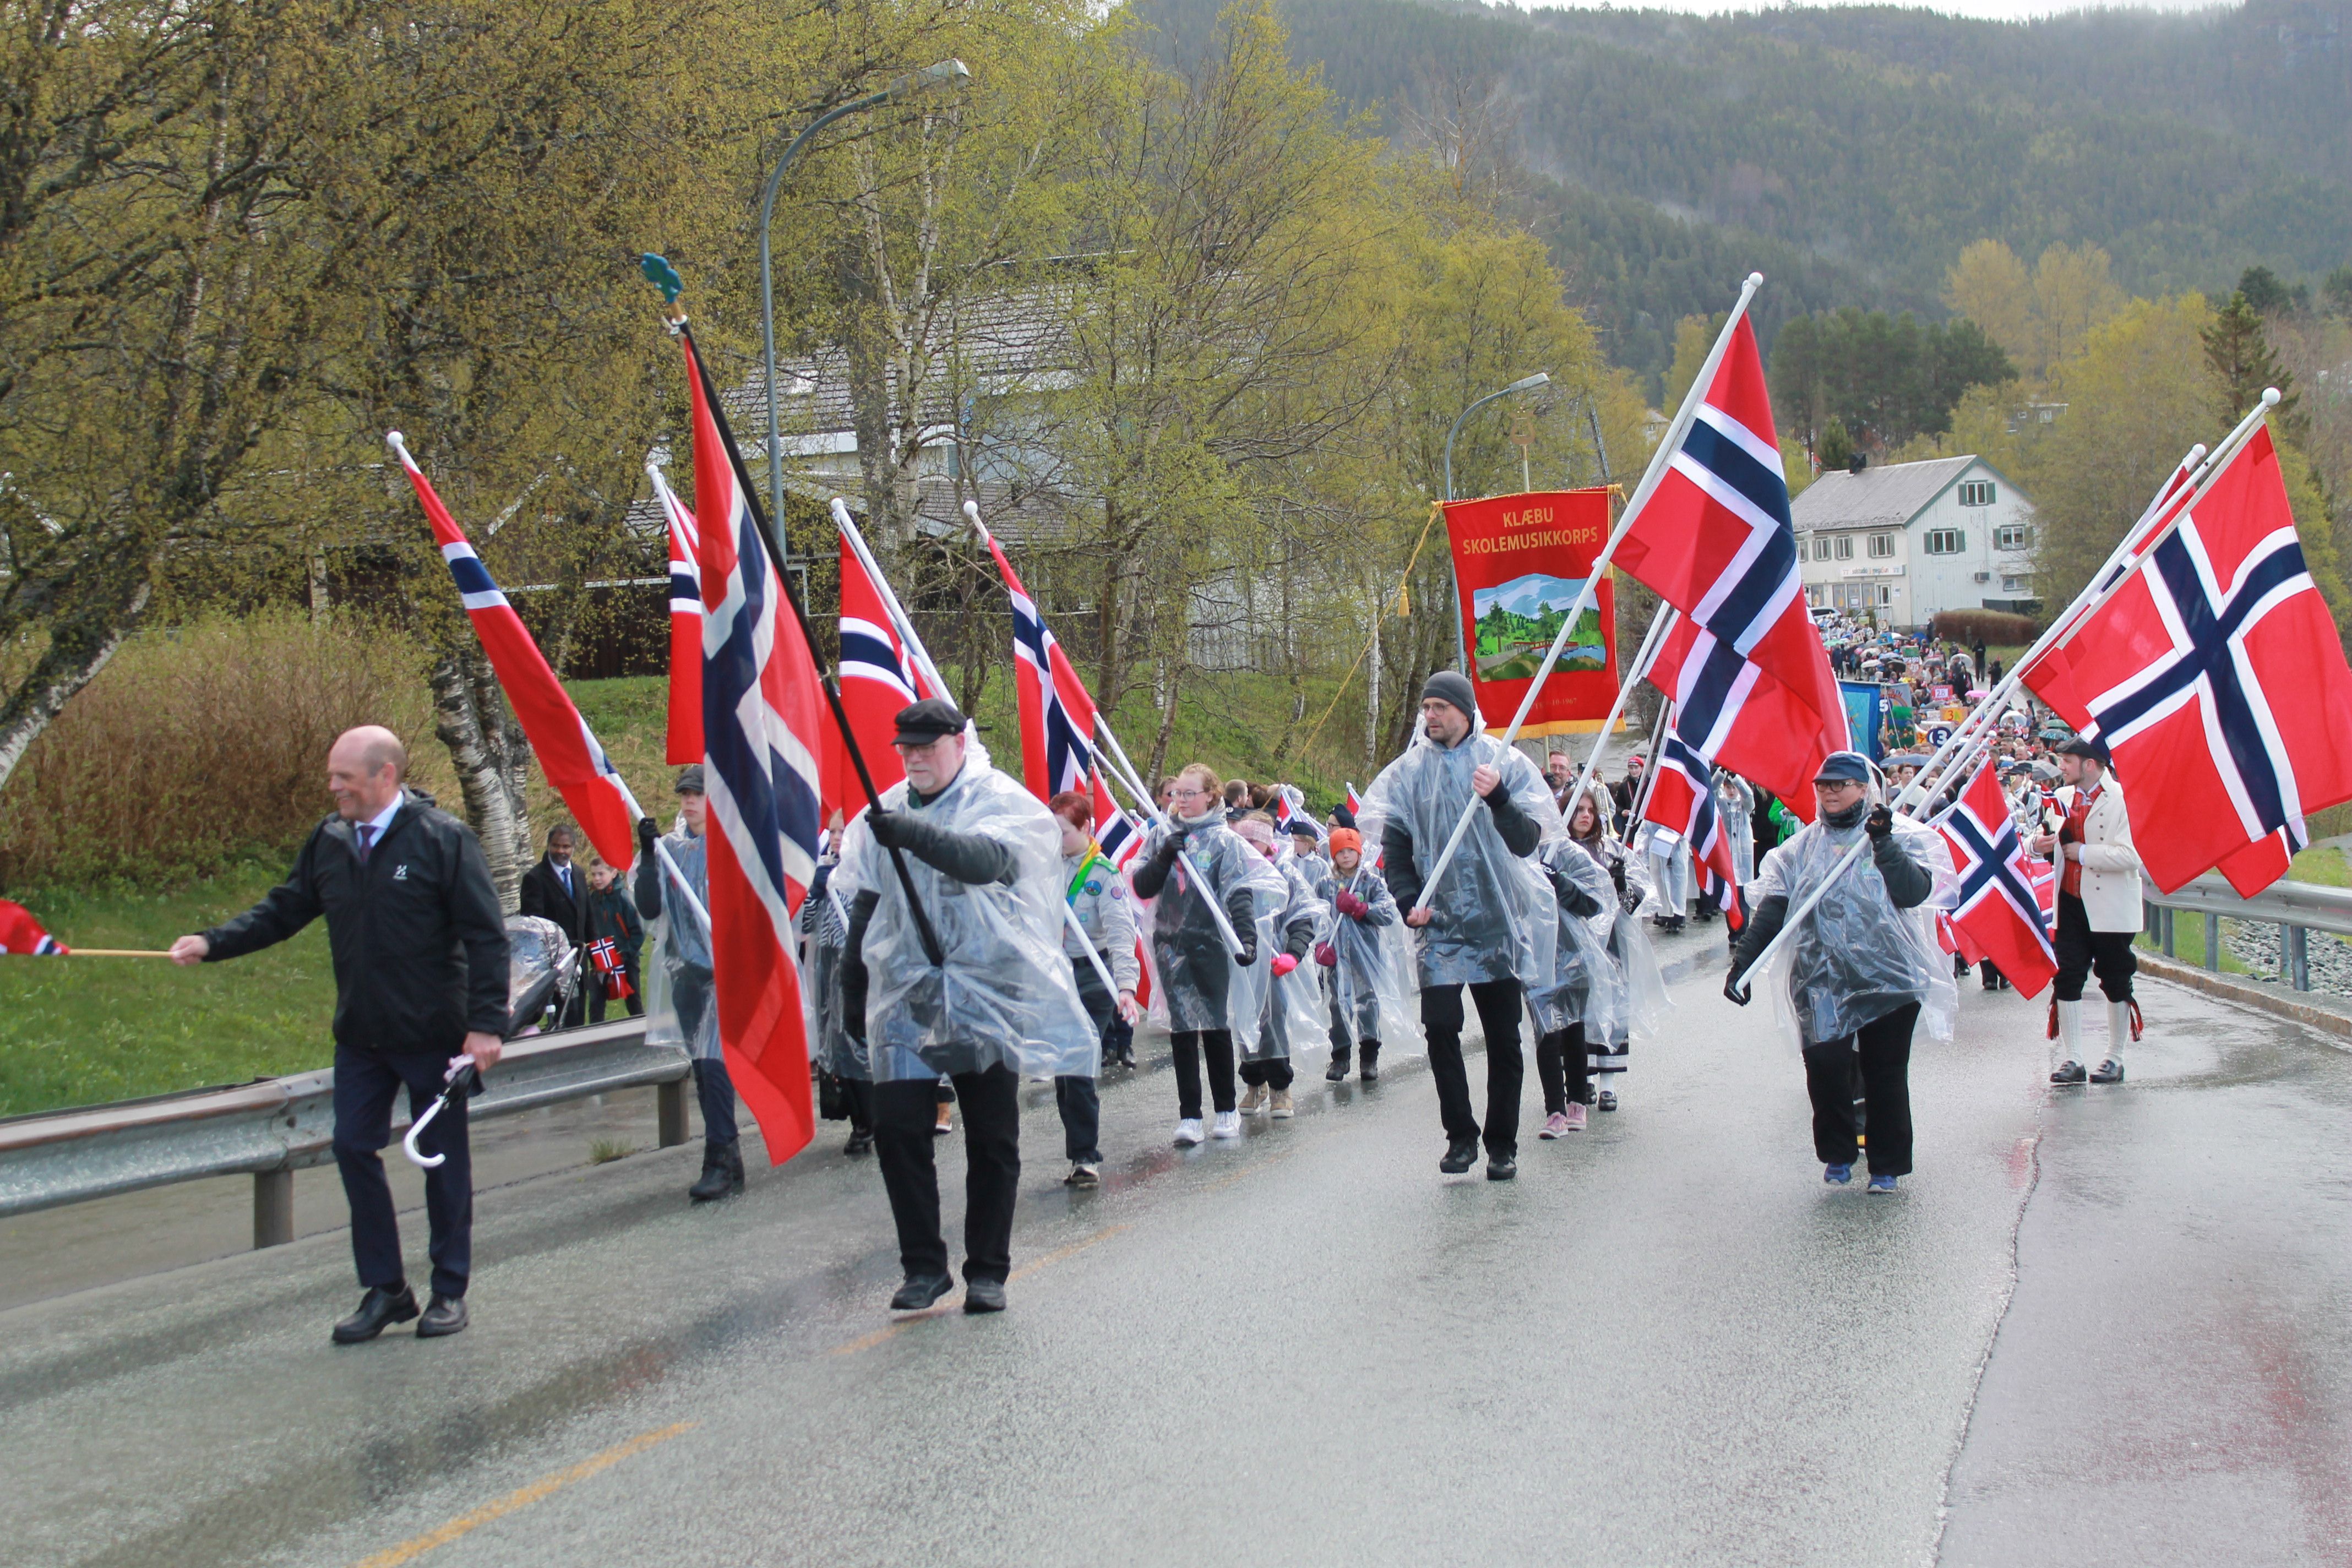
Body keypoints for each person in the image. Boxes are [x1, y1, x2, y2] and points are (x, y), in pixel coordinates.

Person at [170, 727, 508, 1343]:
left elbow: (487, 935)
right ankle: (387, 1289)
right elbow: (284, 908)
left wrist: (486, 1026)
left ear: (385, 776)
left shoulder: (442, 839)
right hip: (362, 1033)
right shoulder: (329, 841)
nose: (332, 788)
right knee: (353, 1146)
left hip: (435, 1036)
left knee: (442, 1162)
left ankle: (449, 1290)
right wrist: (213, 942)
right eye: (332, 777)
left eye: (343, 778)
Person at [843, 698, 1095, 1314]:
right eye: (905, 748)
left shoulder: (997, 800)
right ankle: (924, 1267)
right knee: (900, 1130)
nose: (913, 758)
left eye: (926, 746)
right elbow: (867, 902)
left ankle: (988, 1269)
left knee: (991, 1136)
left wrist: (916, 835)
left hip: (988, 992)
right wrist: (851, 988)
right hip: (907, 997)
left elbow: (989, 861)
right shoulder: (887, 810)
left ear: (959, 741)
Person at [1723, 750, 1954, 1194]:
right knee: (1825, 1067)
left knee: (1885, 1073)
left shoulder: (1899, 836)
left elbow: (1914, 892)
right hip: (1820, 978)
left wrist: (1884, 844)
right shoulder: (1799, 849)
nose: (1829, 791)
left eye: (1840, 784)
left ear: (1864, 789)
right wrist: (1743, 966)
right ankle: (1838, 1152)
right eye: (1823, 785)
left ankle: (1886, 1165)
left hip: (1890, 976)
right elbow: (1774, 910)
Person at [1364, 671, 1560, 1180]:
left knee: (1503, 1039)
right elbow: (1397, 848)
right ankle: (1461, 1137)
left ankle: (1502, 1144)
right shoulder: (1409, 773)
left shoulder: (1503, 763)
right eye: (1426, 707)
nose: (1429, 716)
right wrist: (1409, 901)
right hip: (1441, 926)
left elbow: (1527, 841)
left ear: (1465, 710)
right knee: (1441, 1027)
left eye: (1439, 708)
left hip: (1498, 922)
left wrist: (1498, 798)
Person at [1131, 763, 1264, 1145]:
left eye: (1190, 794)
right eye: (1177, 794)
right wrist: (1163, 857)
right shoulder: (1162, 834)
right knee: (1183, 1030)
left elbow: (1239, 892)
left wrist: (1246, 938)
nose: (1181, 801)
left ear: (1211, 795)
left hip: (1212, 944)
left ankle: (1226, 1109)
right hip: (1171, 942)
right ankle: (1190, 1115)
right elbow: (1141, 885)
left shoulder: (1225, 841)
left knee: (1214, 1025)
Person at [635, 766, 736, 1203]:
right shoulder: (672, 850)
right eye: (685, 795)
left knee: (715, 1065)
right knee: (701, 1067)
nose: (690, 801)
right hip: (687, 976)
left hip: (724, 975)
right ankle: (728, 1156)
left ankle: (719, 1162)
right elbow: (649, 906)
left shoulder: (732, 847)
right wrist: (648, 855)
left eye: (698, 793)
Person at [2032, 738, 2142, 1085]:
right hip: (2069, 902)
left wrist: (2082, 853)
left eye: (2067, 761)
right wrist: (2038, 844)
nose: (2061, 767)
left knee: (2115, 977)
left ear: (2090, 764)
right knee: (2066, 975)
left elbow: (2132, 856)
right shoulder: (2060, 798)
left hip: (2111, 905)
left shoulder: (2124, 799)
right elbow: (2038, 839)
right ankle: (2073, 1058)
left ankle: (2115, 1057)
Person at [1050, 791, 1142, 1186]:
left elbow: (1122, 933)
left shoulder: (1103, 874)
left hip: (1093, 977)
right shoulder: (1044, 867)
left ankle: (1085, 1155)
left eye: (1064, 832)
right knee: (1062, 1070)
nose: (1057, 840)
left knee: (1078, 1061)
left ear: (1086, 828)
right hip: (1056, 974)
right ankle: (1079, 1148)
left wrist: (1125, 986)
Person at [1562, 784, 1661, 1112]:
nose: (1585, 816)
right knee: (1579, 1010)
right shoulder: (1557, 851)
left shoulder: (1612, 850)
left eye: (1590, 811)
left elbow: (1635, 899)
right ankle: (1584, 1078)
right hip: (1572, 944)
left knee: (1612, 1007)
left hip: (1611, 945)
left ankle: (1609, 1084)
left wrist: (1619, 884)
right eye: (1578, 810)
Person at [1232, 810, 1326, 1117]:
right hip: (1241, 964)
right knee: (1244, 1025)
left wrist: (1293, 953)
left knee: (1273, 1024)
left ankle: (1280, 1088)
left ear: (1267, 843)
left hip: (1274, 967)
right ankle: (1253, 1083)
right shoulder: (1231, 872)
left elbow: (1304, 917)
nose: (1246, 846)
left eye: (1252, 840)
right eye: (1241, 839)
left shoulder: (1284, 875)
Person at [1531, 827, 1621, 1137]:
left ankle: (1577, 1103)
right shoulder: (1516, 853)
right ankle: (1554, 1110)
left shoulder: (1568, 854)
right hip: (1536, 955)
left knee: (1573, 1029)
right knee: (1545, 1033)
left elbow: (1595, 902)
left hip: (1574, 954)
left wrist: (1558, 882)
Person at [803, 812, 873, 1157]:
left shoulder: (865, 871)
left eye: (842, 831)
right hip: (829, 962)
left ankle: (870, 1119)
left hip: (860, 963)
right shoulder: (825, 870)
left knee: (858, 1043)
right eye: (831, 831)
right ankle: (857, 1117)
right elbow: (805, 925)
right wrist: (815, 892)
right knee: (837, 1045)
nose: (834, 837)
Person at [1315, 825, 1398, 1082]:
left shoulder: (1371, 881)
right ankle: (1340, 1057)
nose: (1347, 856)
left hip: (1367, 954)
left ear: (1359, 853)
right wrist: (1320, 945)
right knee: (1338, 1003)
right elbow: (1317, 917)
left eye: (1352, 850)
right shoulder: (1325, 885)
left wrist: (1362, 908)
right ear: (1334, 855)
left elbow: (1387, 912)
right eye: (1341, 851)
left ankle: (1369, 1056)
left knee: (1368, 1001)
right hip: (1337, 953)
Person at [518, 823, 589, 1026]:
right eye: (556, 846)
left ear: (574, 847)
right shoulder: (535, 878)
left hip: (579, 960)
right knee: (559, 1022)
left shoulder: (579, 874)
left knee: (578, 1021)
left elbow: (587, 916)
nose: (561, 851)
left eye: (566, 847)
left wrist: (598, 958)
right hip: (554, 967)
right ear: (549, 845)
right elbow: (534, 928)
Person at [583, 856, 645, 1021]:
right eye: (594, 875)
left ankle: (640, 1034)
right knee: (596, 1001)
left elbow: (638, 931)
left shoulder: (623, 898)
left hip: (626, 958)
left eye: (601, 874)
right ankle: (596, 1039)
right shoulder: (593, 900)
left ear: (613, 873)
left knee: (633, 1000)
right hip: (600, 960)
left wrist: (627, 952)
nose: (596, 879)